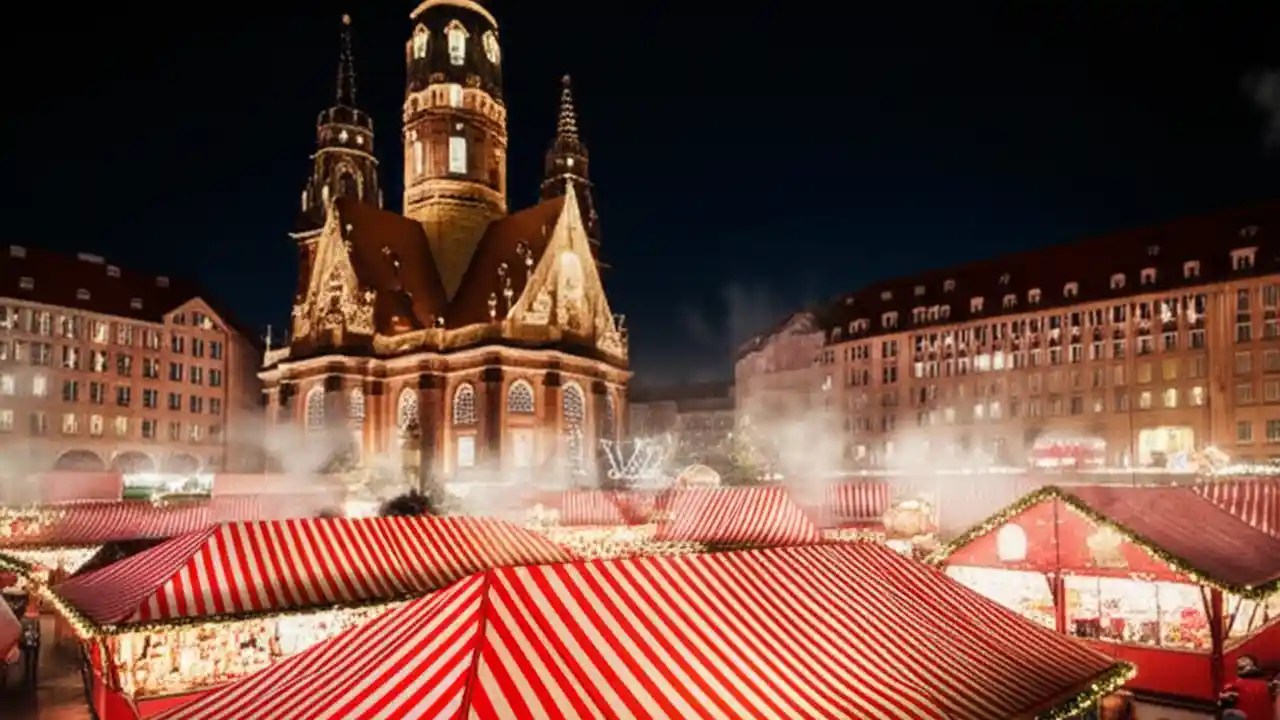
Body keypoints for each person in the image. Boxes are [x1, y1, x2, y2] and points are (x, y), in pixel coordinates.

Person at [20, 617, 40, 689]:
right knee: (31, 657)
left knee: (29, 657)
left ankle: (29, 678)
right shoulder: (34, 620)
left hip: (30, 639)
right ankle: (31, 678)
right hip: (32, 639)